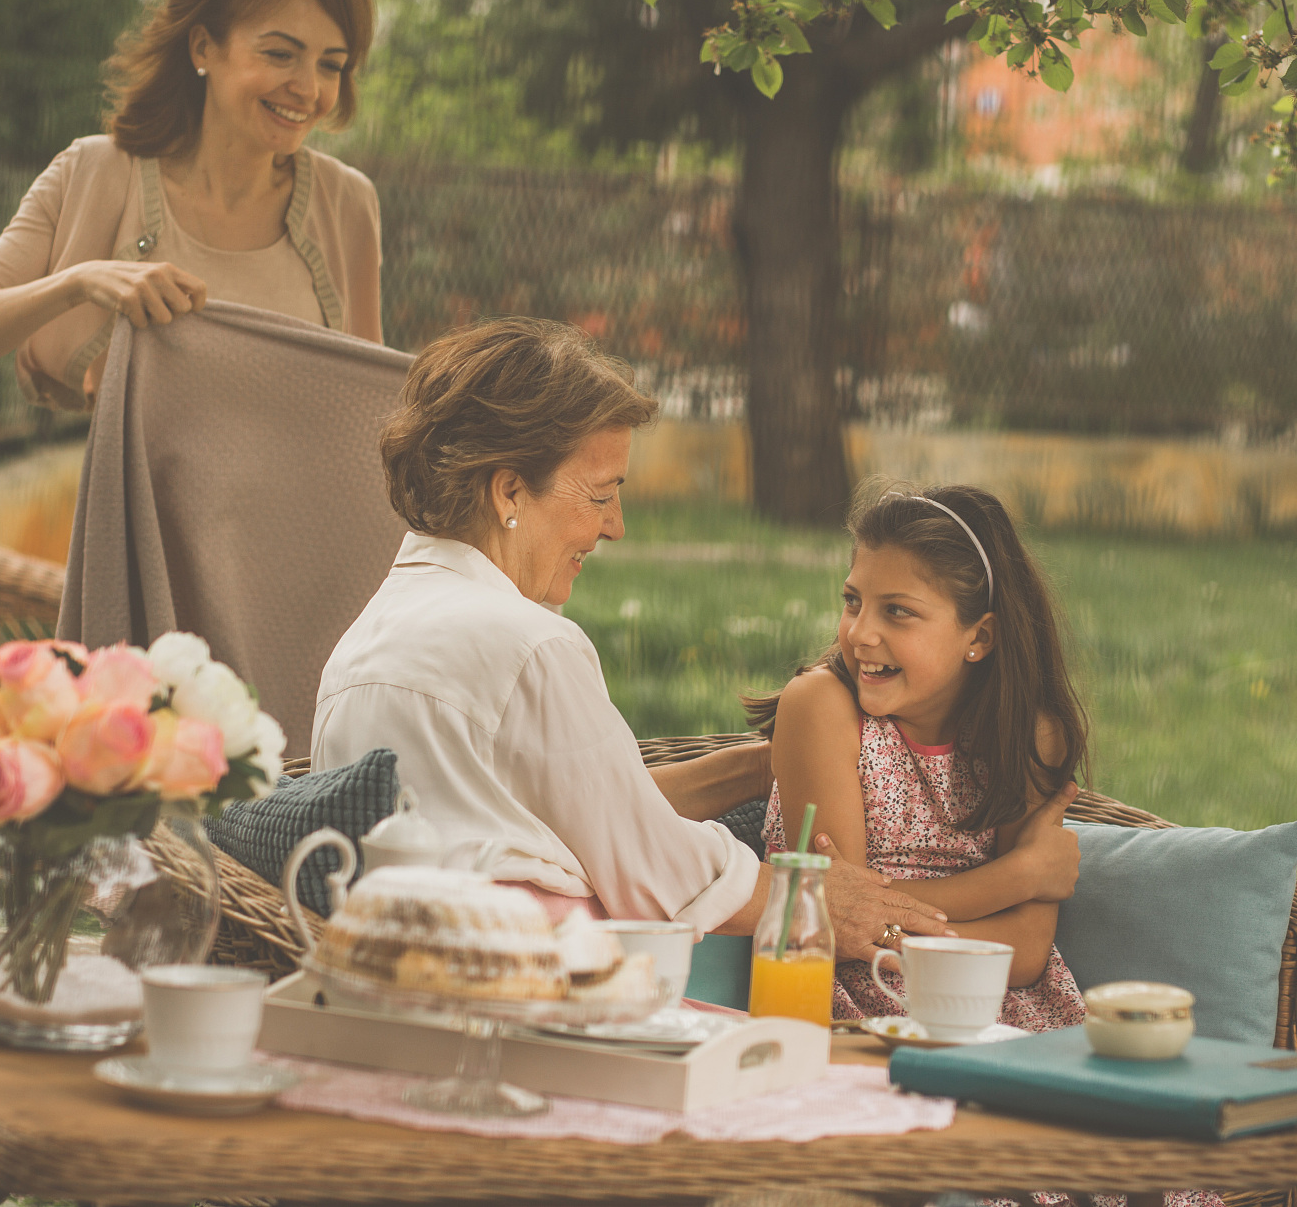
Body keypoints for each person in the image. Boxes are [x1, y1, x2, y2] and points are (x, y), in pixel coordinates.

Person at [309, 317, 953, 956]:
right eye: (600, 495)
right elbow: (652, 873)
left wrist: (760, 767)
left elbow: (587, 815)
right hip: (526, 993)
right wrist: (813, 895)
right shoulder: (526, 646)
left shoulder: (363, 642)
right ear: (509, 490)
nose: (615, 525)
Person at [0, 0, 383, 409]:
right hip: (138, 486)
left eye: (331, 65)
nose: (308, 88)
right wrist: (79, 281)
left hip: (302, 486)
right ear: (203, 47)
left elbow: (374, 406)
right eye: (280, 54)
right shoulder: (96, 173)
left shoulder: (346, 201)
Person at [746, 484, 1090, 1031]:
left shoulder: (1026, 735)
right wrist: (1017, 878)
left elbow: (1026, 951)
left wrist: (887, 927)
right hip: (857, 1012)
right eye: (852, 600)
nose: (860, 633)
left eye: (897, 612)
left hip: (996, 1018)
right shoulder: (821, 709)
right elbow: (835, 918)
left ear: (979, 637)